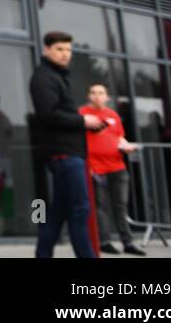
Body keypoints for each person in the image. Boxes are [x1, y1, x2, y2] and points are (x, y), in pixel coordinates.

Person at [30, 31, 103, 258]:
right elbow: (49, 114)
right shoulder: (44, 77)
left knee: (58, 213)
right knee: (80, 210)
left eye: (68, 50)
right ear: (46, 50)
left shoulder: (58, 76)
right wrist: (84, 120)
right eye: (59, 49)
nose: (65, 54)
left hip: (68, 153)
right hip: (63, 154)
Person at [79, 83, 143, 255]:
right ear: (88, 96)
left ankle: (127, 242)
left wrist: (126, 146)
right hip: (95, 168)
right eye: (93, 92)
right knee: (100, 207)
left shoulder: (113, 114)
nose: (97, 96)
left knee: (120, 205)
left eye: (100, 93)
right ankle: (105, 241)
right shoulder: (82, 114)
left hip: (117, 166)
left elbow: (119, 137)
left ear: (107, 97)